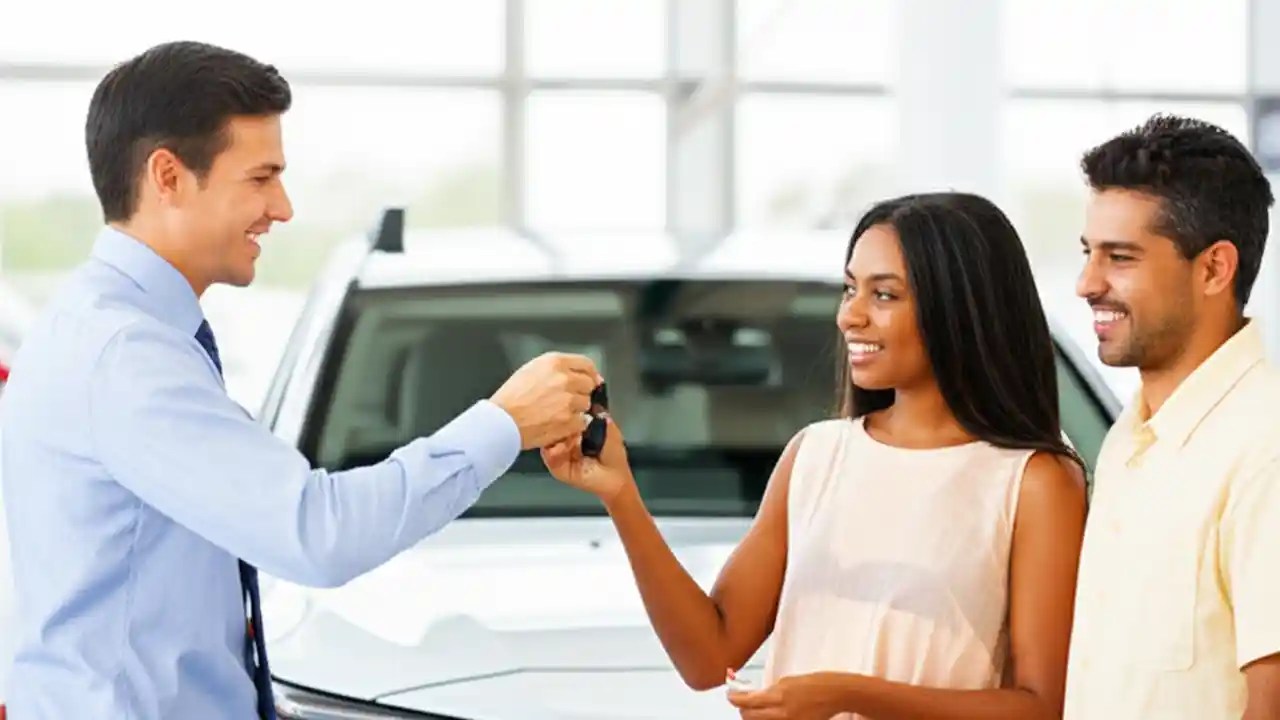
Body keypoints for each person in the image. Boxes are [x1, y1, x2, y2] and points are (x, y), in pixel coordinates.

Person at [0, 41, 600, 719]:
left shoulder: (111, 331)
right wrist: (504, 424)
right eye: (260, 178)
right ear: (167, 176)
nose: (282, 208)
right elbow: (317, 533)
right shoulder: (124, 356)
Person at [543, 192, 1089, 719]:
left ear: (960, 310)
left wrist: (845, 694)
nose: (850, 316)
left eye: (884, 295)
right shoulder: (816, 455)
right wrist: (621, 497)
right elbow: (709, 657)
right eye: (850, 289)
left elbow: (1040, 707)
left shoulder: (1034, 481)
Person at [1065, 114, 1280, 719]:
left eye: (1121, 257)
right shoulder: (1129, 442)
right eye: (1088, 253)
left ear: (1214, 268)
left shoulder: (1266, 447)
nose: (1086, 283)